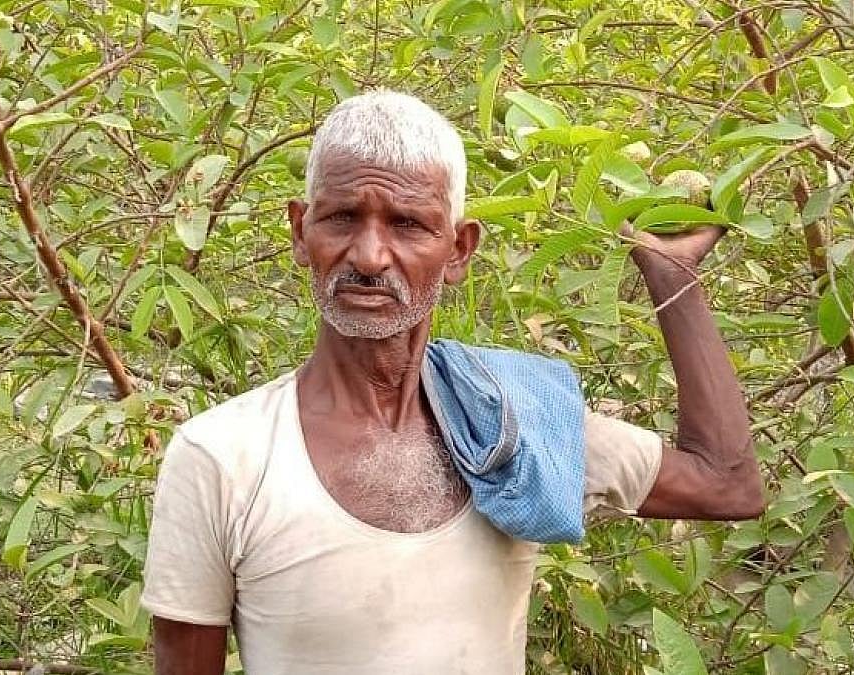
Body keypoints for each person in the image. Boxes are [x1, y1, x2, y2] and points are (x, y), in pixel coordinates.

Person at [140, 90, 764, 675]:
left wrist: (672, 278)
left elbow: (728, 486)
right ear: (300, 232)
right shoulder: (222, 456)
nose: (369, 256)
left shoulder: (511, 423)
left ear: (460, 249)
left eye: (408, 224)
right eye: (341, 218)